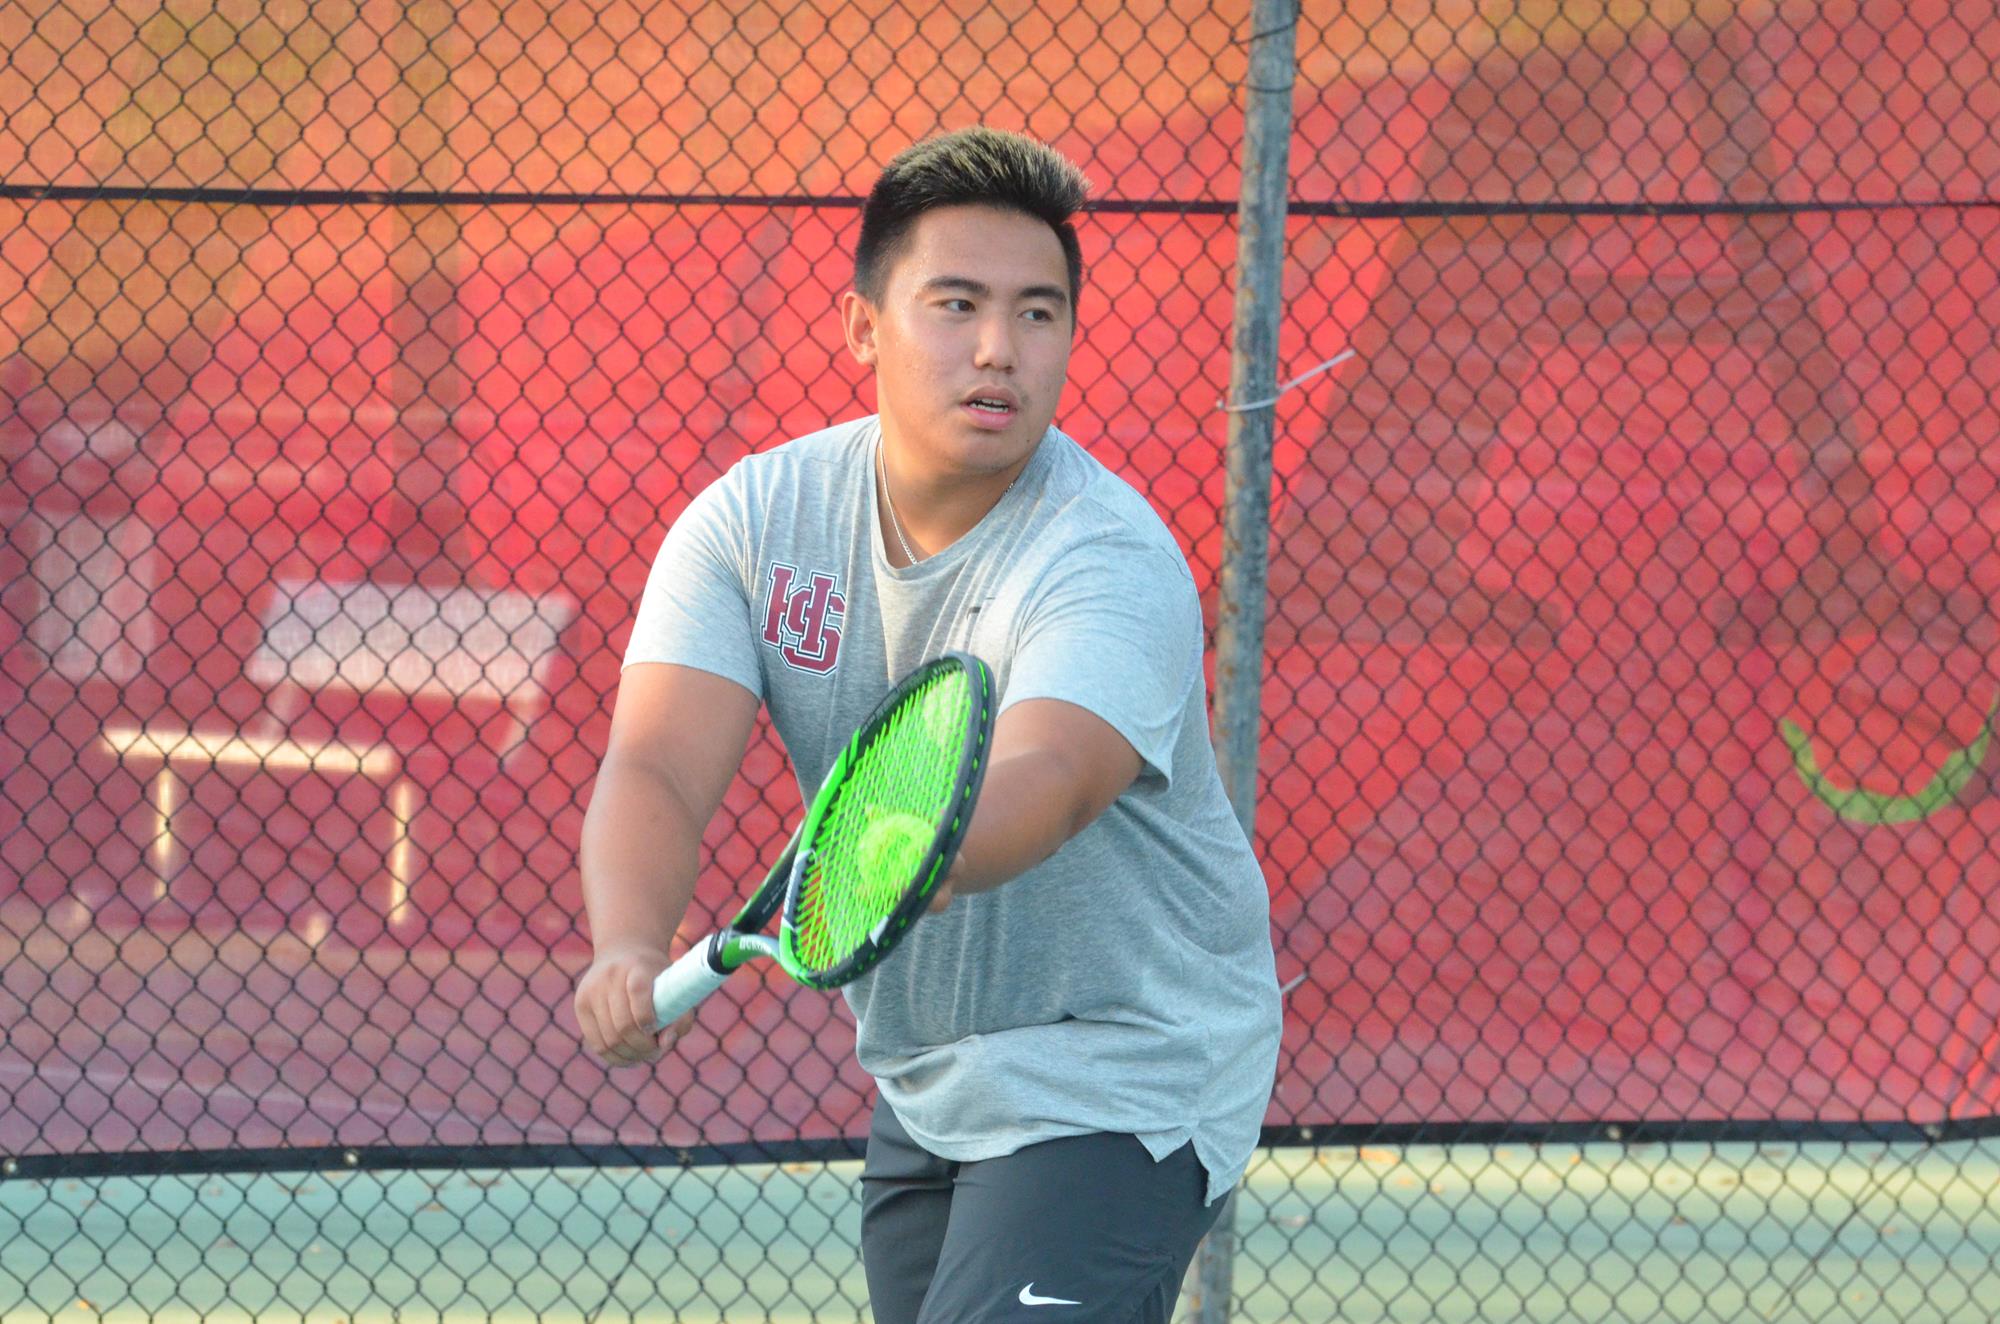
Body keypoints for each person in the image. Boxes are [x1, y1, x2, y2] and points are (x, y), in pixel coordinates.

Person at [573, 125, 1281, 1323]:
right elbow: (654, 762)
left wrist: (911, 843)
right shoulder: (752, 523)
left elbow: (1050, 774)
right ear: (862, 328)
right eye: (954, 304)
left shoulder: (1106, 558)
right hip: (927, 1073)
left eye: (1037, 313)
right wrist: (627, 943)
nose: (998, 348)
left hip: (1126, 1065)